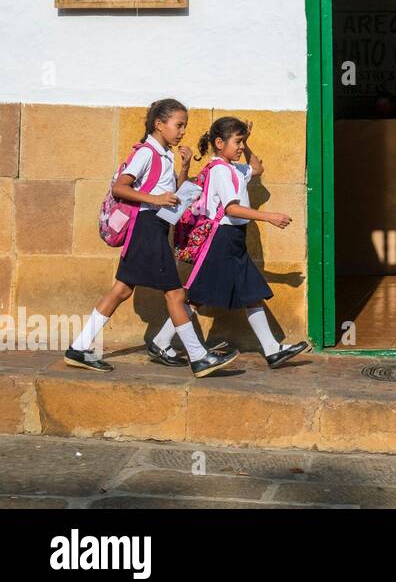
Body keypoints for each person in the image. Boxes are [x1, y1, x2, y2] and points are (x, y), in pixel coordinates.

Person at [64, 99, 235, 376]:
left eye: (184, 126)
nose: (182, 131)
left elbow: (174, 194)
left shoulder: (165, 154)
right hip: (146, 227)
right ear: (159, 124)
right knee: (176, 293)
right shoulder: (146, 153)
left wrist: (184, 167)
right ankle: (198, 357)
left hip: (153, 227)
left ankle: (79, 347)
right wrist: (154, 198)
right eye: (178, 125)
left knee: (122, 289)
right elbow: (120, 188)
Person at [185, 116, 311, 369]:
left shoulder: (233, 168)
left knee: (251, 291)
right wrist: (270, 217)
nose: (241, 147)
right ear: (219, 143)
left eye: (243, 141)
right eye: (237, 141)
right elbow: (232, 209)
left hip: (233, 241)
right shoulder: (221, 170)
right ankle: (162, 341)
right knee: (198, 296)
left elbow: (257, 168)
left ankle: (272, 349)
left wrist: (248, 143)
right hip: (222, 240)